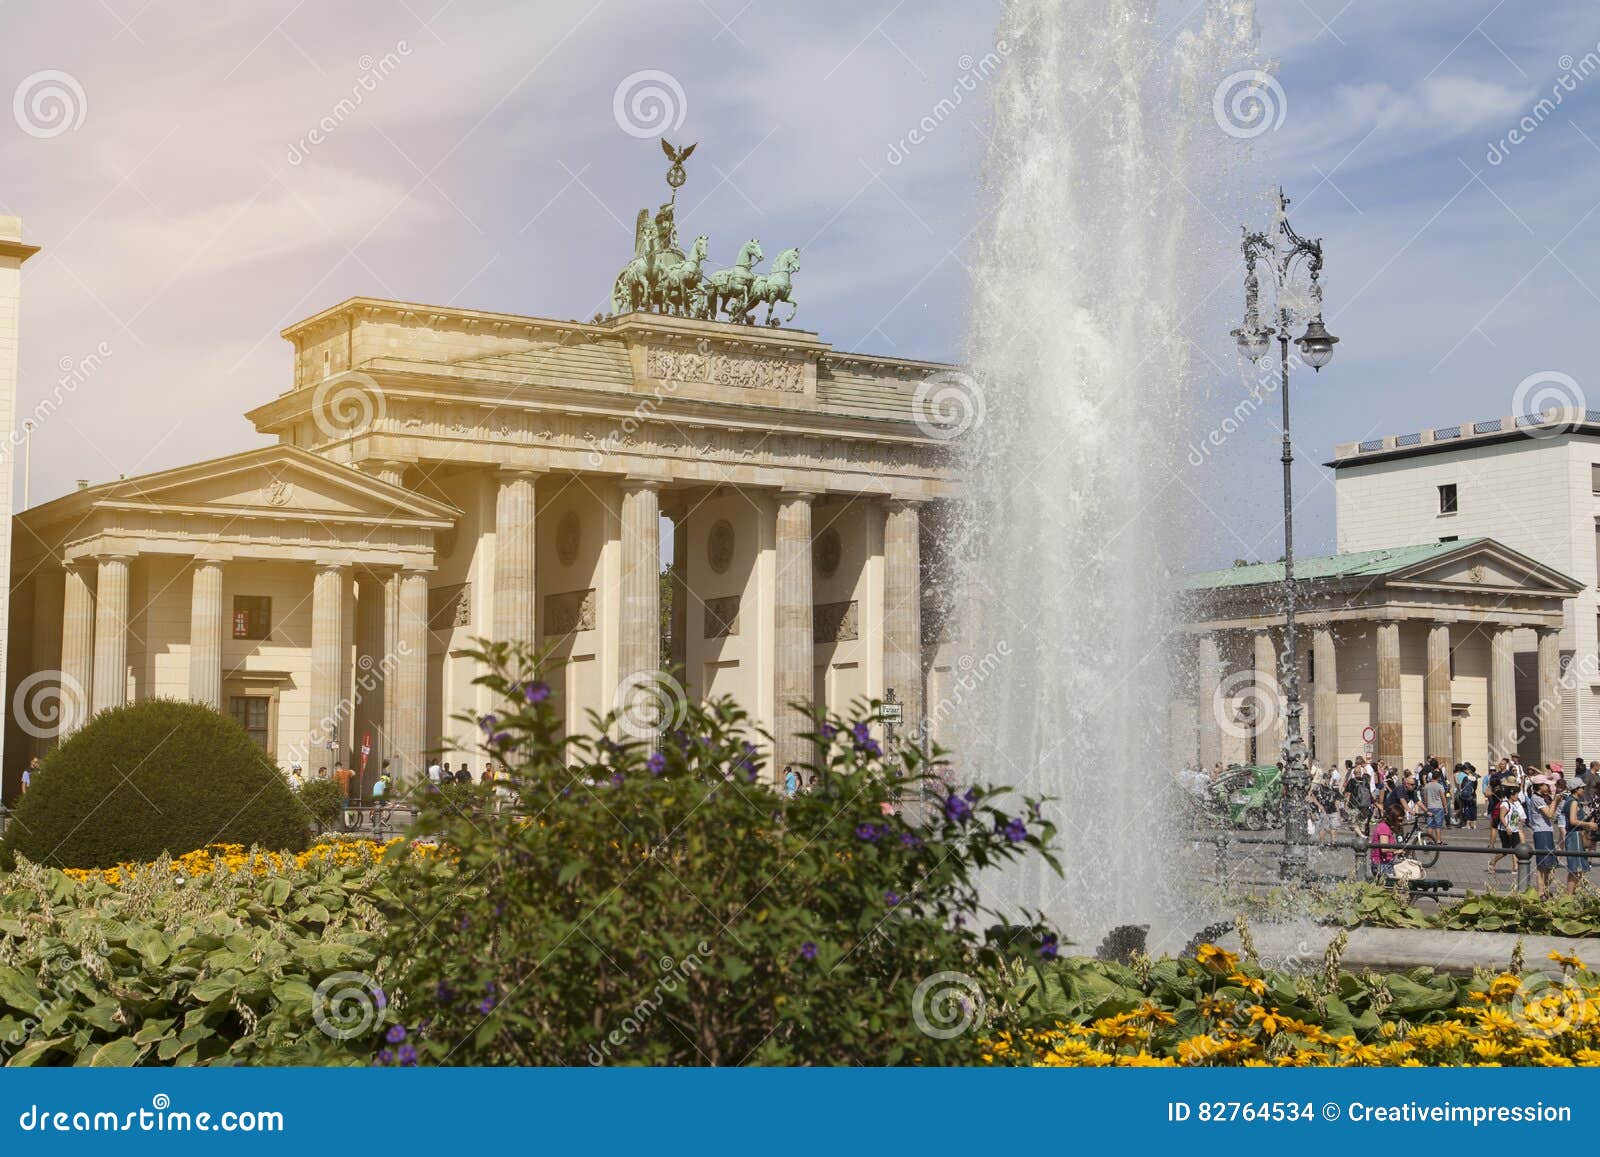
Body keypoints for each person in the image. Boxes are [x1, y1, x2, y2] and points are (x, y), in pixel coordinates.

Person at [1562, 780, 1597, 895]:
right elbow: (1572, 821)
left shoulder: (1572, 800)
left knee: (1579, 868)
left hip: (1575, 835)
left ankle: (1573, 893)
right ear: (1576, 789)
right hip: (1574, 835)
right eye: (1581, 788)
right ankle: (1569, 896)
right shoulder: (1573, 802)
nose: (1583, 789)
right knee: (1576, 869)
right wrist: (1588, 824)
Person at [1528, 777, 1560, 896]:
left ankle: (1545, 890)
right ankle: (1541, 892)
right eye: (1546, 785)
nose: (1549, 787)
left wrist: (1556, 800)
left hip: (1546, 831)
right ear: (1540, 786)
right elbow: (1550, 814)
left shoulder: (1541, 797)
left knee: (1550, 864)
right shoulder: (1536, 798)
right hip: (1541, 832)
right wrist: (1555, 800)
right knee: (1542, 864)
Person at [1370, 803, 1404, 881]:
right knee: (1388, 888)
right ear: (1392, 818)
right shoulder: (1384, 828)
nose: (1400, 823)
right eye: (1399, 820)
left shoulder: (1384, 826)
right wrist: (1397, 850)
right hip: (1382, 864)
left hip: (1382, 863)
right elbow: (1384, 849)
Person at [1420, 769, 1448, 845]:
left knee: (1430, 825)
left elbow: (1425, 799)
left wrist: (1426, 807)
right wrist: (1445, 807)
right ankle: (1438, 841)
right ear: (1438, 777)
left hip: (1429, 807)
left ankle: (1429, 840)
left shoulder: (1426, 786)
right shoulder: (1440, 786)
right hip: (1438, 807)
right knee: (1438, 825)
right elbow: (1443, 797)